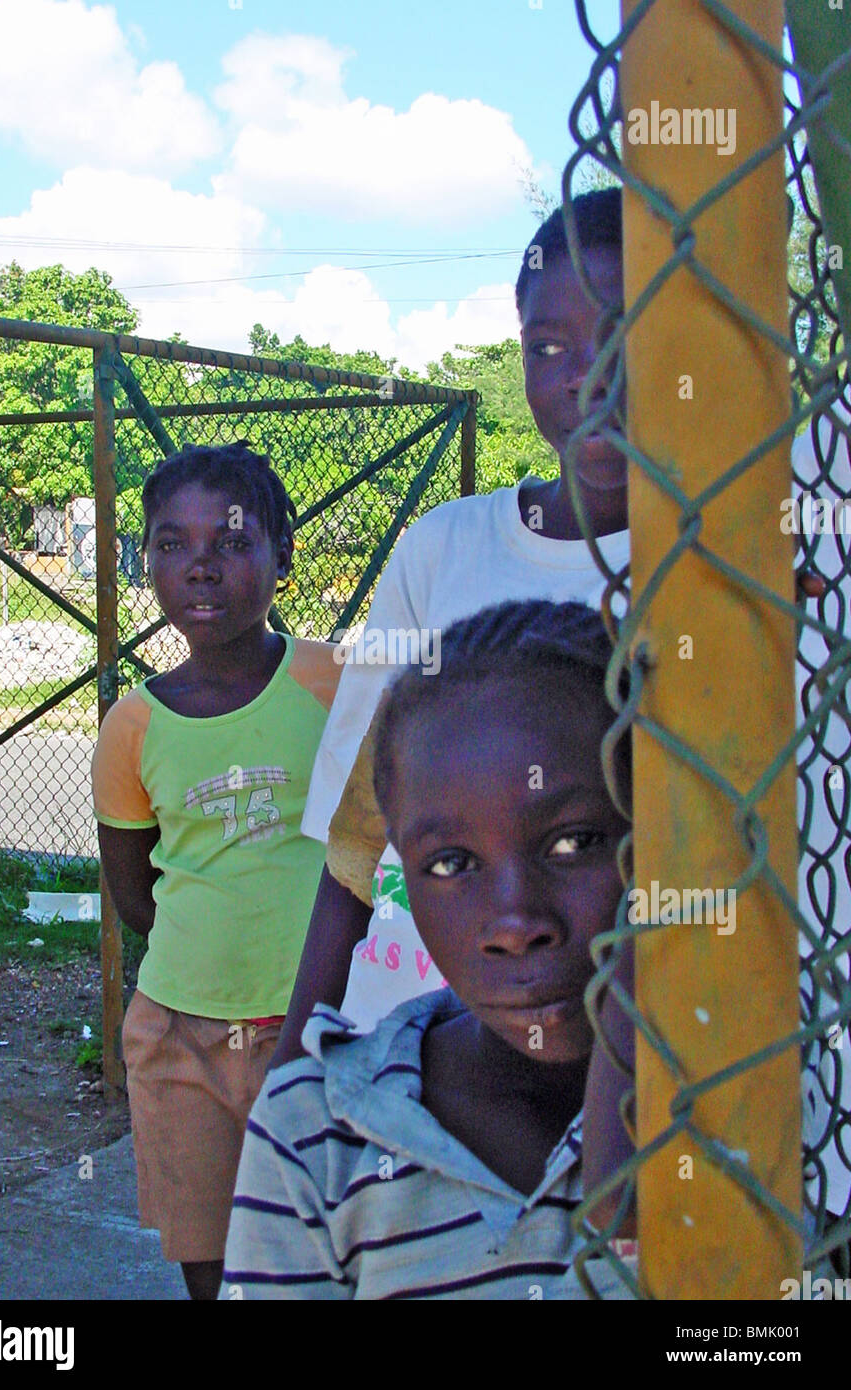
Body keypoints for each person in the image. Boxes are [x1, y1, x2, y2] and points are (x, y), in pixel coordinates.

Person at [273, 188, 630, 1060]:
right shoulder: (444, 551)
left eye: (632, 335)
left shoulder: (764, 558)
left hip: (645, 1035)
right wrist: (290, 1068)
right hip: (429, 1040)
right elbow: (357, 842)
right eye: (551, 346)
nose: (589, 373)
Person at [222, 599, 637, 1300]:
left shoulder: (743, 1087)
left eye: (575, 843)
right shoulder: (316, 1137)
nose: (516, 922)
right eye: (450, 863)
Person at [90, 441, 341, 1300]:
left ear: (283, 554)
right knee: (213, 1260)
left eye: (232, 542)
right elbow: (137, 895)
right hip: (179, 1038)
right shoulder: (131, 726)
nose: (201, 569)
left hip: (321, 1030)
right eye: (172, 544)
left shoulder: (334, 684)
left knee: (324, 1251)